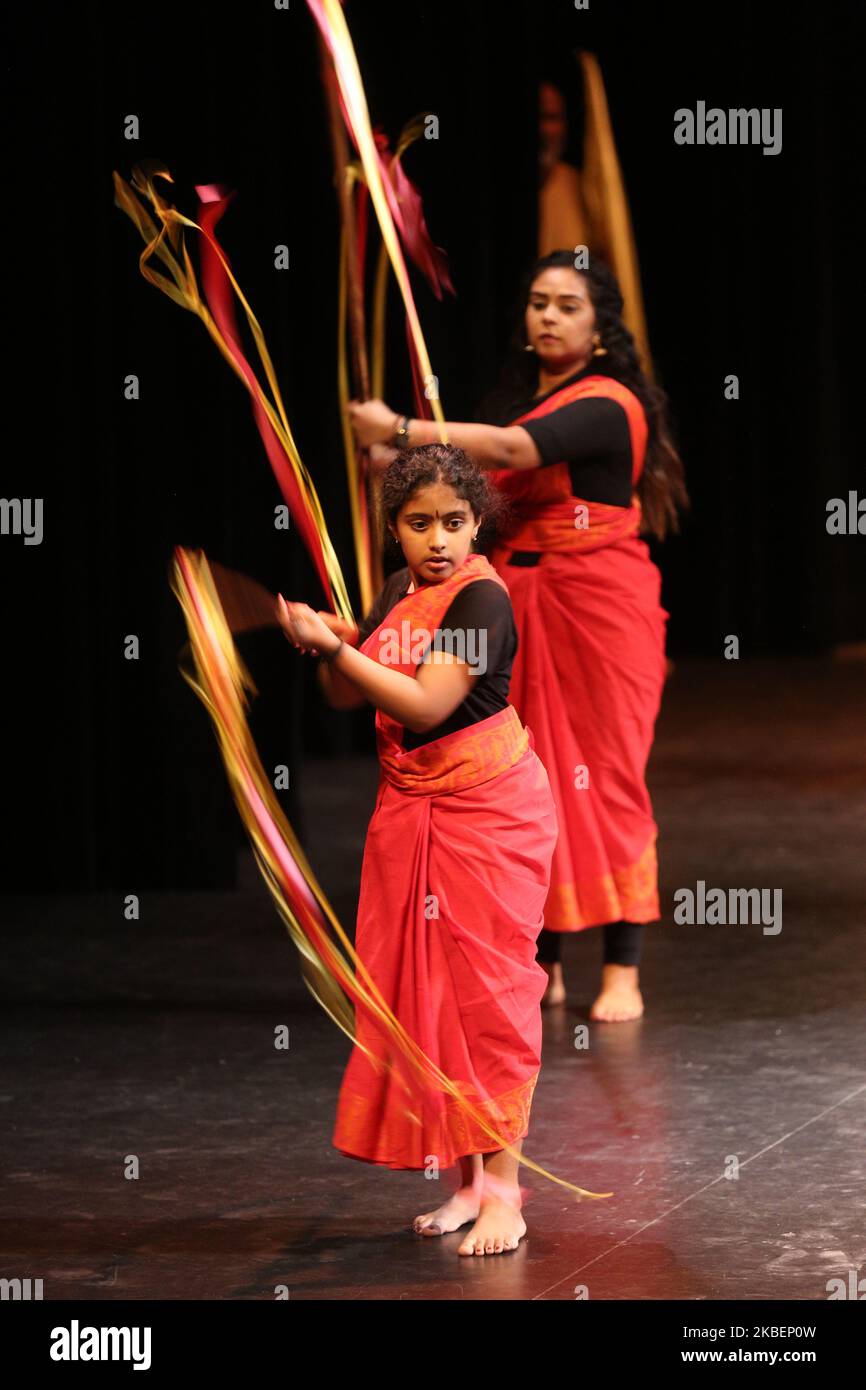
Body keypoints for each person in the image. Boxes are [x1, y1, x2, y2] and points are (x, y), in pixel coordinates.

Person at [348, 250, 687, 1022]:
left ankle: (623, 969)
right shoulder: (512, 400)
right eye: (538, 302)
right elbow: (469, 481)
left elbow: (512, 453)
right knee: (522, 773)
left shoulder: (609, 402)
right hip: (513, 605)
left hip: (597, 608)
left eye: (568, 305)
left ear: (600, 328)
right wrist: (398, 463)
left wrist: (400, 425)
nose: (548, 316)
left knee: (602, 775)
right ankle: (543, 963)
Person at [276, 444, 558, 1255]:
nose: (438, 539)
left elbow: (430, 704)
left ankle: (506, 1189)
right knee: (432, 1002)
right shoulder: (404, 591)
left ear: (479, 524)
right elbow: (347, 690)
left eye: (455, 523)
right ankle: (467, 1185)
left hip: (485, 811)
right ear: (394, 529)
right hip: (412, 806)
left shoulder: (481, 604)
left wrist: (343, 652)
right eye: (419, 523)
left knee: (489, 1003)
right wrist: (335, 643)